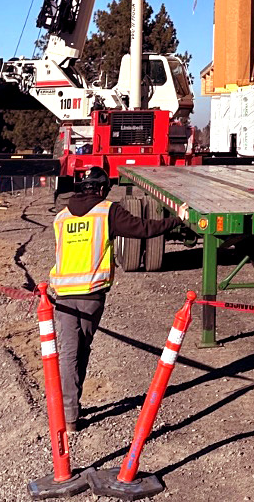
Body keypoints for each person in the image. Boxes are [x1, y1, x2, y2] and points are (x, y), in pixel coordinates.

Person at [48, 165, 187, 431]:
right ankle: (72, 410)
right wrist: (177, 219)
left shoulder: (61, 218)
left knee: (68, 353)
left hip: (63, 295)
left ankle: (69, 413)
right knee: (81, 350)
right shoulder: (106, 211)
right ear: (101, 189)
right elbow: (144, 229)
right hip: (91, 295)